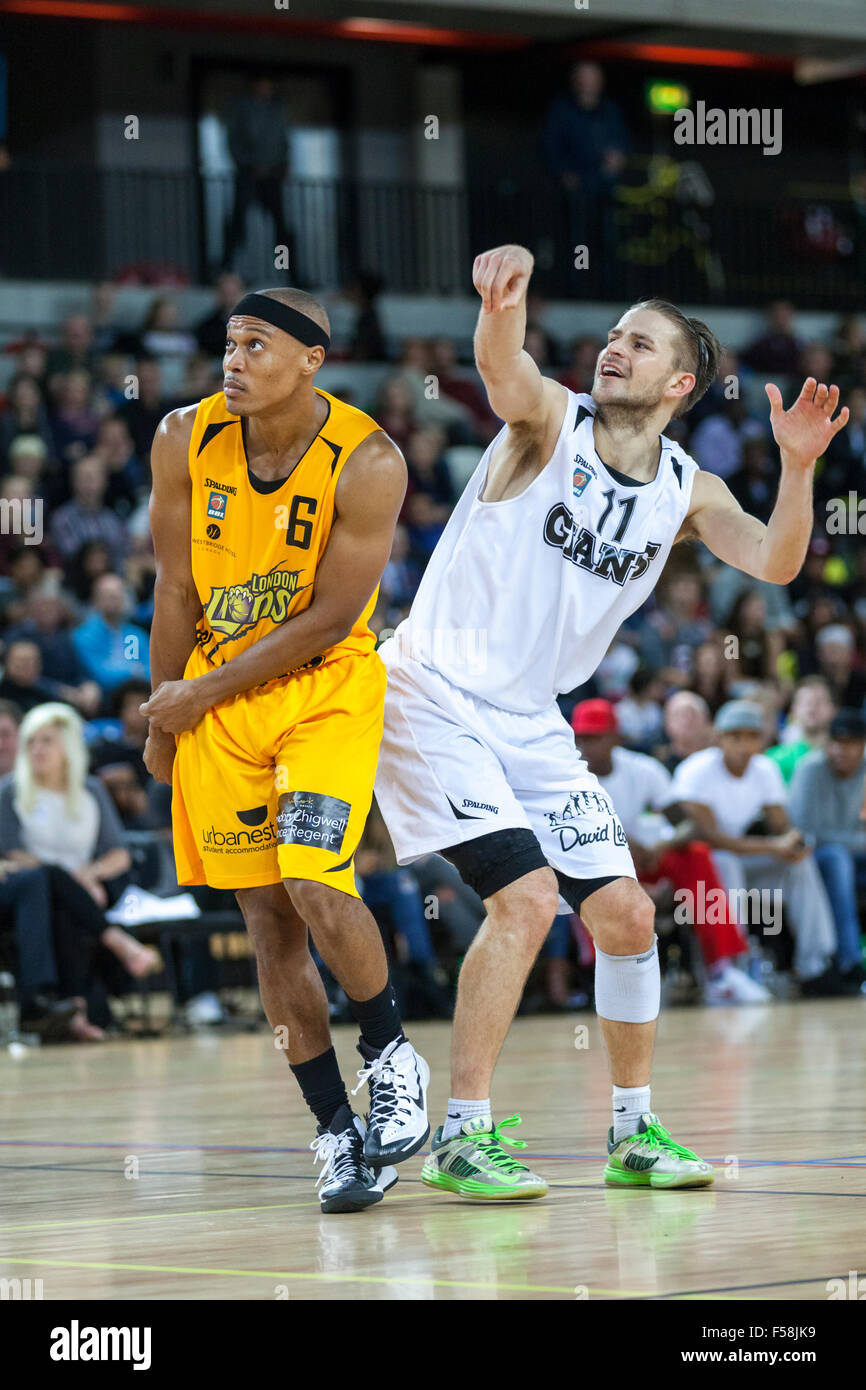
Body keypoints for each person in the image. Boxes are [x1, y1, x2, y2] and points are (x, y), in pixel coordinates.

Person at [374, 241, 849, 1198]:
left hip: (531, 721)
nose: (614, 350)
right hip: (429, 689)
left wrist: (797, 466)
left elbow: (778, 563)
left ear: (680, 381)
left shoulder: (688, 490)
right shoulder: (550, 423)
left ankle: (632, 1133)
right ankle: (460, 1136)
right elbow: (503, 370)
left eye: (640, 343)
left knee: (630, 917)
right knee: (525, 900)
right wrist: (502, 301)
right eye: (614, 335)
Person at [140, 286, 429, 1214]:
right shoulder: (183, 438)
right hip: (217, 705)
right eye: (229, 343)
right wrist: (162, 718)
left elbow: (334, 617)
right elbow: (176, 589)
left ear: (311, 360)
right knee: (267, 923)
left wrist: (199, 696)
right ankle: (336, 1135)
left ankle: (390, 1054)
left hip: (323, 691)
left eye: (256, 345)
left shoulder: (370, 458)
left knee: (315, 878)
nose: (234, 360)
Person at [571, 699, 766, 1005]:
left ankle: (722, 970)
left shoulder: (643, 769)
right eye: (580, 737)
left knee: (697, 854)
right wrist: (624, 846)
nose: (586, 745)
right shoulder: (567, 776)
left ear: (615, 738)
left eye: (594, 737)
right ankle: (611, 979)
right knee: (581, 871)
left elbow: (686, 825)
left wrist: (663, 846)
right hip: (599, 866)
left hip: (644, 859)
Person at [0, 702, 160, 1036]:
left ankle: (73, 1012)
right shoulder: (12, 790)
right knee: (51, 889)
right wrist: (74, 882)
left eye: (46, 741)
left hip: (83, 891)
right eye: (31, 742)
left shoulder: (92, 789)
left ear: (68, 747)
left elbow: (119, 854)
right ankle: (115, 952)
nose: (37, 749)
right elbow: (13, 854)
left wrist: (88, 877)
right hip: (39, 890)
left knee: (65, 907)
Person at [671, 700, 844, 996]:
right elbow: (709, 838)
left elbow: (781, 826)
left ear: (762, 741)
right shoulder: (696, 771)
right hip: (695, 876)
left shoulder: (765, 770)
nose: (743, 745)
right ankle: (732, 967)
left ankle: (816, 964)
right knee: (725, 860)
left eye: (751, 736)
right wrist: (773, 845)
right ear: (719, 738)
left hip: (740, 865)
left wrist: (794, 843)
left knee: (799, 864)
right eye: (735, 736)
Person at [789, 708, 866, 984]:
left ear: (862, 745)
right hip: (817, 857)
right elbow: (805, 832)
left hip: (858, 855)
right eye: (835, 742)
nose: (840, 750)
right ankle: (849, 962)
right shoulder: (810, 769)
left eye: (849, 743)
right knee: (836, 858)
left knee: (842, 856)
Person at [222, 76, 293, 274]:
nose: (265, 89)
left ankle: (289, 270)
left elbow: (284, 138)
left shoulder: (277, 109)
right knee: (238, 222)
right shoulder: (241, 108)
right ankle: (229, 268)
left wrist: (283, 164)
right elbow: (233, 139)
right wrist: (249, 164)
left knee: (280, 225)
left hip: (273, 175)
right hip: (248, 174)